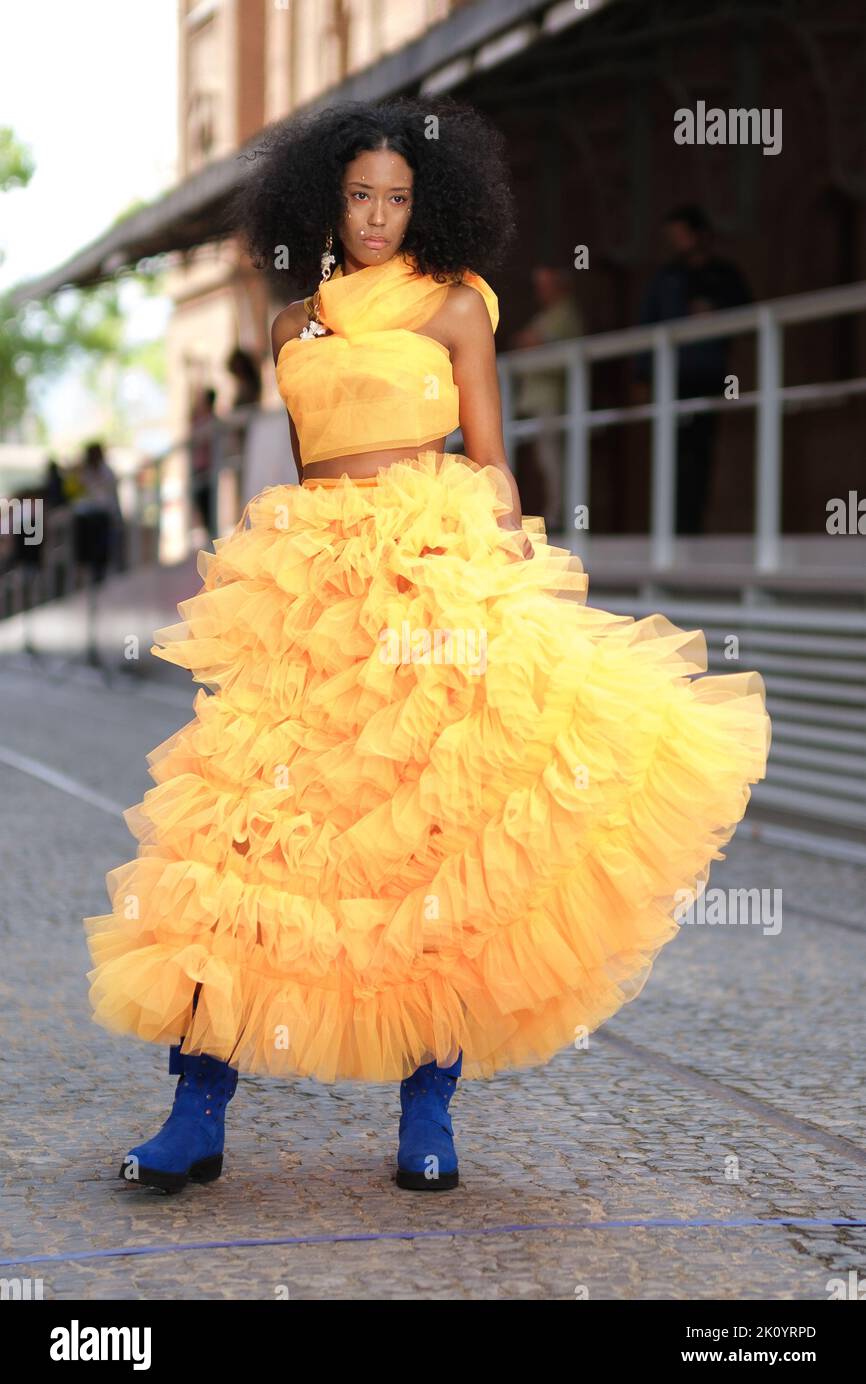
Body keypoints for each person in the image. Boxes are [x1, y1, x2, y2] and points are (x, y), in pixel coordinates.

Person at [83, 100, 771, 1197]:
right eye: (358, 195)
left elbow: (489, 459)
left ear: (428, 204)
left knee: (434, 848)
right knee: (240, 842)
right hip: (310, 597)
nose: (375, 215)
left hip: (432, 579)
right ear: (323, 198)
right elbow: (312, 469)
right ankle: (194, 1110)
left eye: (397, 198)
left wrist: (505, 586)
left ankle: (426, 1111)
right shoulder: (288, 326)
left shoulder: (456, 309)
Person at [635, 204, 752, 534]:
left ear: (700, 235)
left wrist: (716, 312)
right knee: (669, 455)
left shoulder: (725, 275)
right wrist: (642, 377)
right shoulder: (666, 277)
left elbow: (748, 313)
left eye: (681, 235)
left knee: (699, 454)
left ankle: (691, 528)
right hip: (670, 380)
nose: (676, 242)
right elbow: (647, 327)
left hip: (709, 376)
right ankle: (669, 528)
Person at [510, 266, 584, 531]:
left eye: (546, 284)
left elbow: (534, 343)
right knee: (542, 462)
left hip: (554, 400)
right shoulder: (548, 315)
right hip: (535, 400)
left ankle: (560, 516)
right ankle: (550, 514)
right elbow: (523, 342)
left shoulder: (566, 313)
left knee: (553, 461)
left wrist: (530, 341)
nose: (541, 290)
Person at [71, 441, 122, 585]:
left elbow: (112, 497)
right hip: (85, 516)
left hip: (102, 516)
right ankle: (85, 568)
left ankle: (98, 570)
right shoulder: (82, 472)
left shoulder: (107, 472)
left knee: (101, 545)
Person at [189, 386, 217, 537]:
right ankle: (209, 533)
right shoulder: (199, 419)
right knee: (201, 503)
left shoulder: (211, 421)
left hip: (207, 467)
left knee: (208, 504)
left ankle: (211, 534)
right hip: (199, 467)